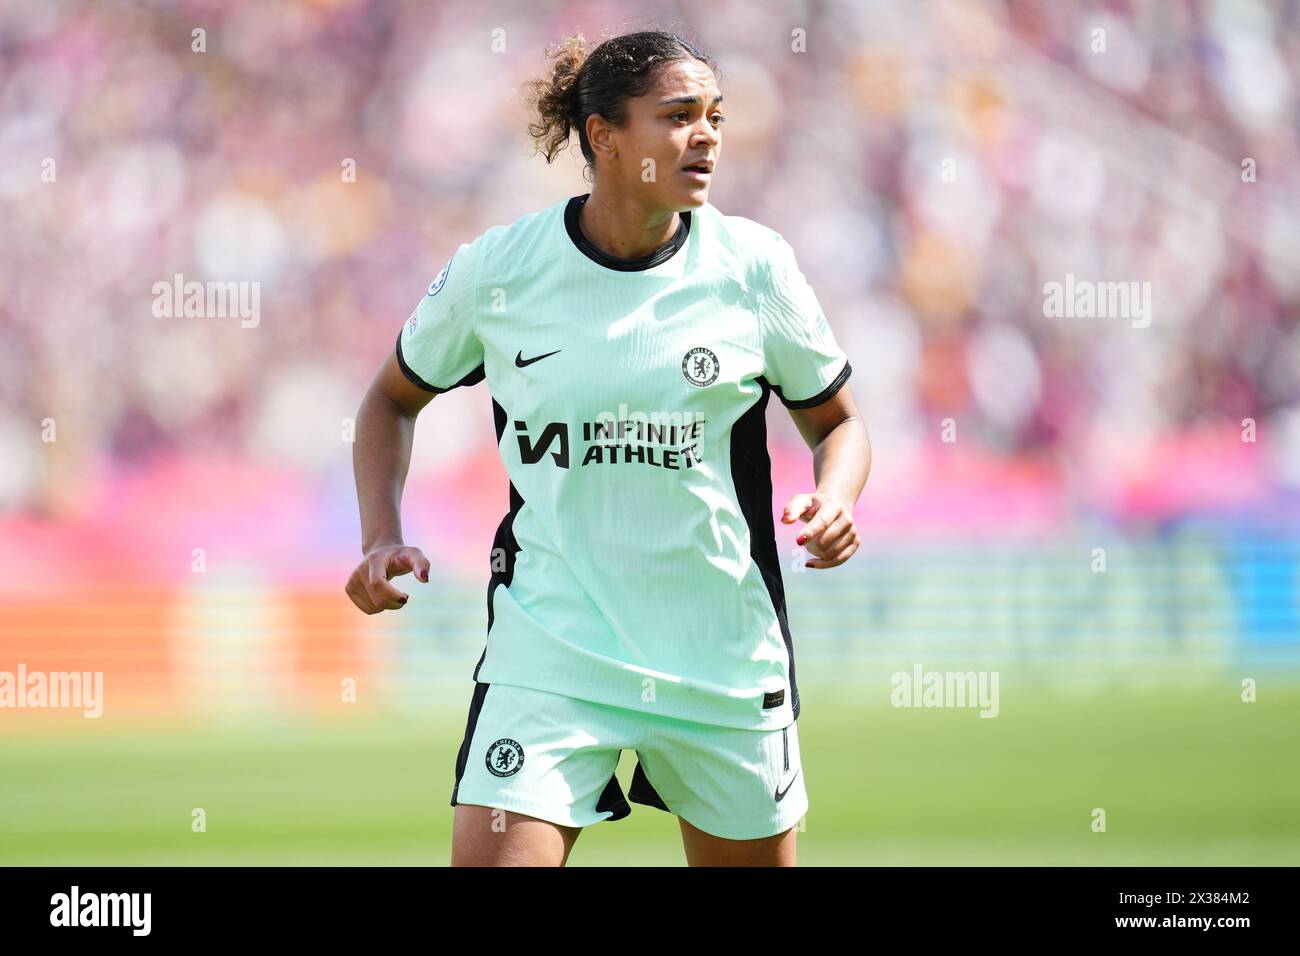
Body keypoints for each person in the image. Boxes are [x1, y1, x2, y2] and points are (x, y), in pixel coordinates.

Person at [345, 28, 871, 867]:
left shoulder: (754, 268)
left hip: (721, 655)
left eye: (714, 115)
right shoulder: (501, 270)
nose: (706, 136)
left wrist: (837, 499)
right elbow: (388, 401)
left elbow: (837, 422)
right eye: (677, 116)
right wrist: (379, 535)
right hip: (552, 652)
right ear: (603, 136)